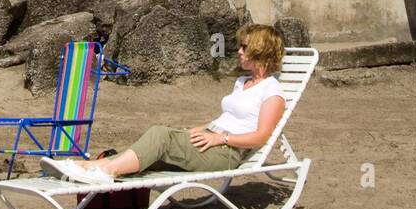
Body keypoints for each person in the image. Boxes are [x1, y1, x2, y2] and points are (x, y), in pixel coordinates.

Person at [42, 23, 287, 185]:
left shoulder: (271, 91)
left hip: (226, 153)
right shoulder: (242, 82)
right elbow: (230, 118)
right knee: (155, 146)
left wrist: (220, 139)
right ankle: (84, 167)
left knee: (160, 136)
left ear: (260, 50)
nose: (239, 51)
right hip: (210, 139)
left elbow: (261, 137)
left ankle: (105, 173)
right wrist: (204, 129)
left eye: (245, 47)